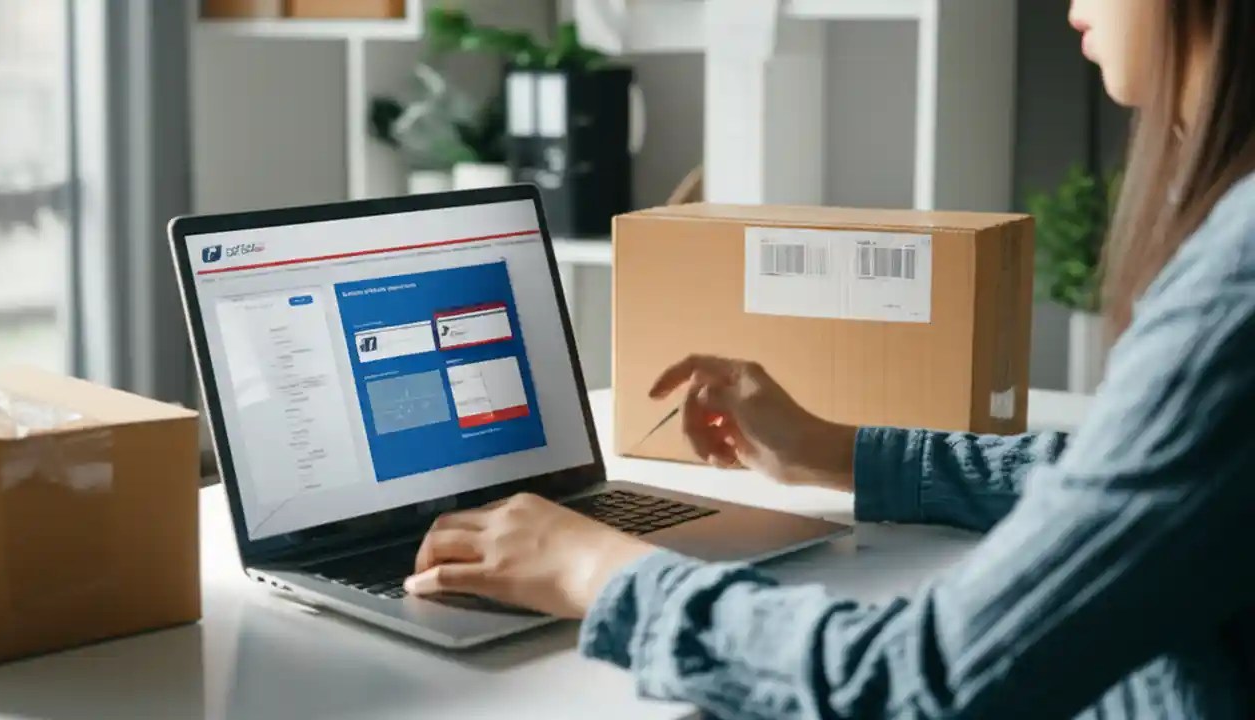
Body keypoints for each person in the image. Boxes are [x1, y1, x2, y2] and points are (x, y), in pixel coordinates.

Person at [403, 0, 1255, 716]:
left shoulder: (1237, 279)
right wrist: (837, 450)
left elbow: (919, 684)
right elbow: (1134, 476)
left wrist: (599, 570)